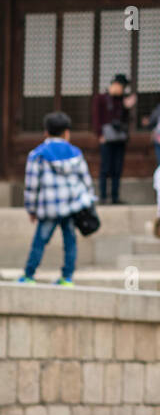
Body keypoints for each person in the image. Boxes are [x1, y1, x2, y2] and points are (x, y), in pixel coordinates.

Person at [19, 111, 97, 287]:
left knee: (40, 240)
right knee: (70, 241)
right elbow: (86, 181)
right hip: (72, 206)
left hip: (49, 207)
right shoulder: (75, 153)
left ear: (45, 132)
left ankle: (29, 275)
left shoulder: (37, 154)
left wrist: (31, 209)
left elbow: (31, 186)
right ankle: (67, 277)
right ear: (66, 132)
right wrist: (88, 202)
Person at [92, 73, 137, 204]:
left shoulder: (122, 100)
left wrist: (127, 107)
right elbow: (96, 118)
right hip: (106, 138)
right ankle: (103, 197)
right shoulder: (101, 98)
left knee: (117, 168)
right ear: (116, 85)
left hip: (120, 138)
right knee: (105, 168)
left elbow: (126, 119)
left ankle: (115, 197)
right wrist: (100, 134)